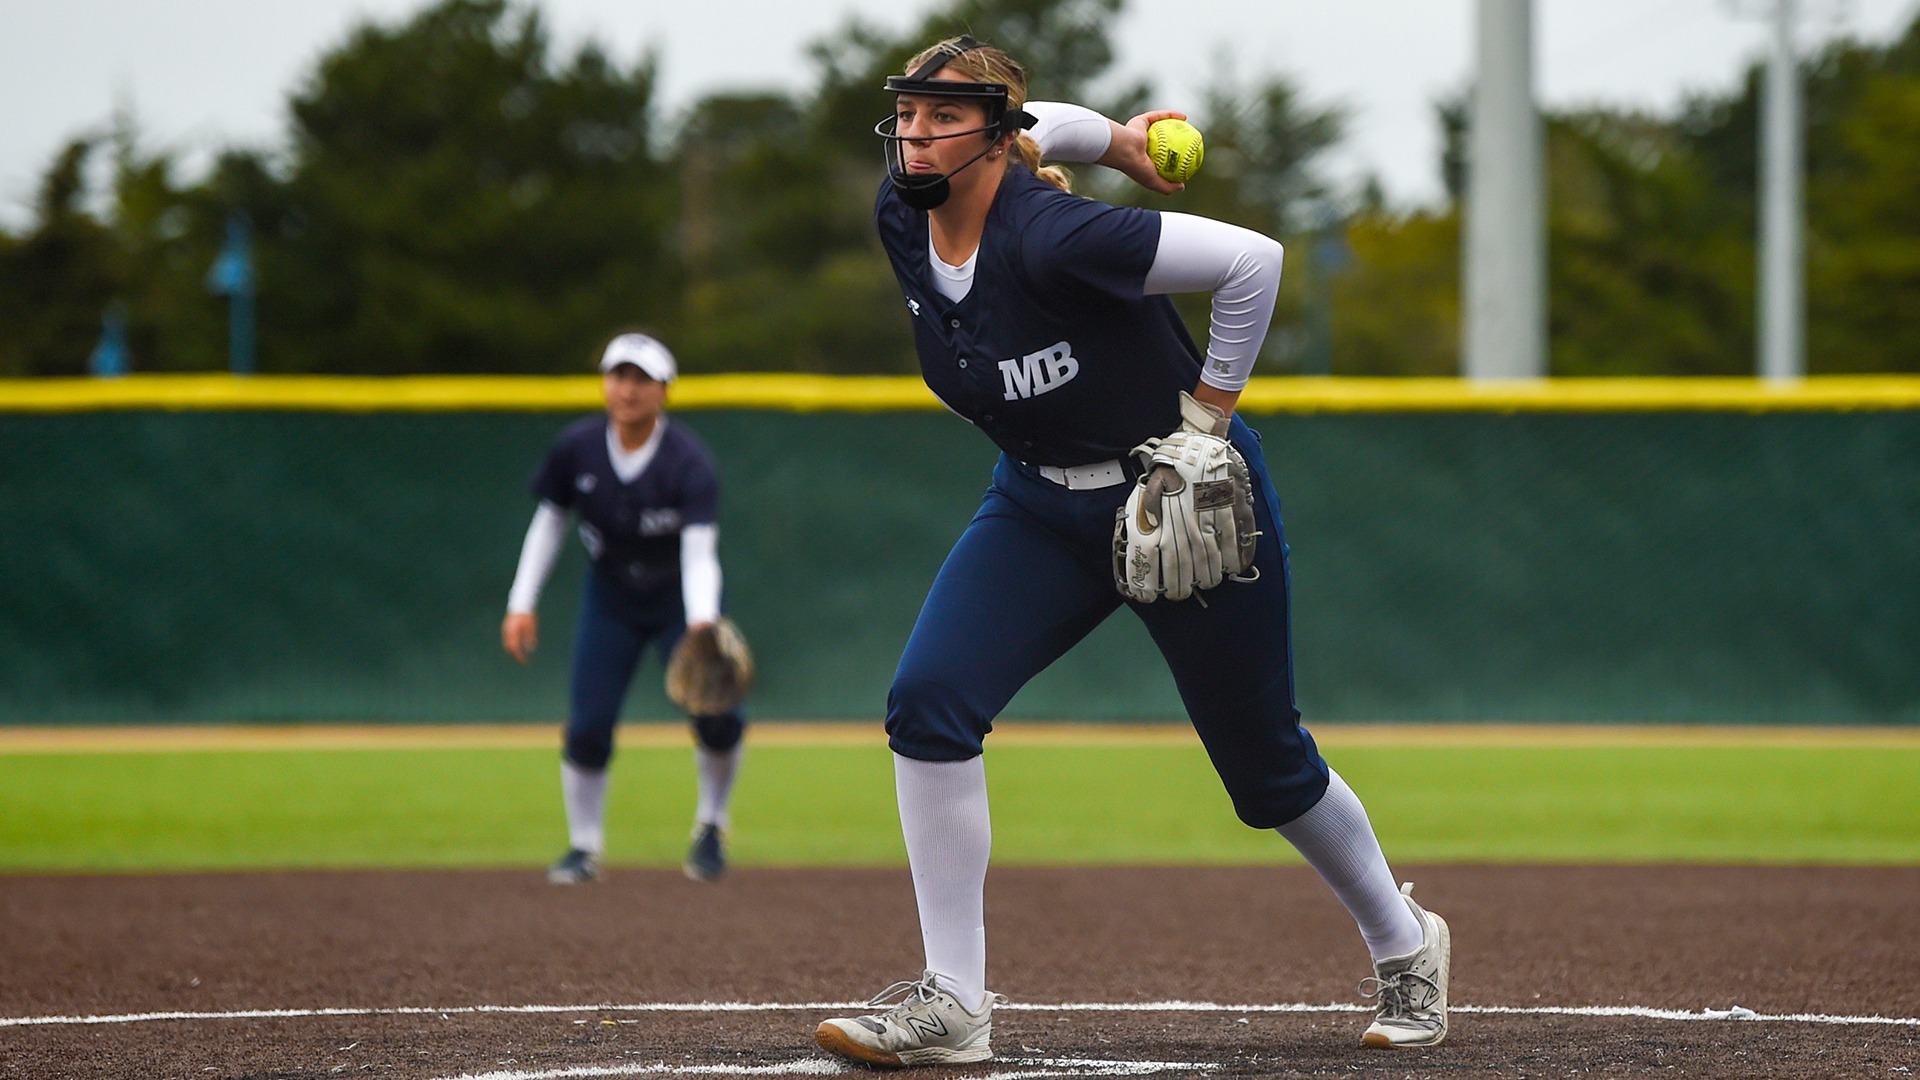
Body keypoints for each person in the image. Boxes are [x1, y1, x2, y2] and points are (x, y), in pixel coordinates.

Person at [812, 37, 1451, 1068]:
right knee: (928, 703)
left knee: (1266, 769)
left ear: (993, 135)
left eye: (942, 118)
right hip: (1035, 509)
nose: (915, 137)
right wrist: (1120, 138)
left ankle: (1403, 940)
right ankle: (954, 1003)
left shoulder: (1058, 234)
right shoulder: (904, 213)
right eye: (909, 114)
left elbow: (1254, 262)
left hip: (1173, 494)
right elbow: (1048, 126)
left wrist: (1206, 423)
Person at [502, 331, 744, 885]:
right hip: (611, 597)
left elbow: (700, 552)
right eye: (619, 376)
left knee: (718, 715)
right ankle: (584, 846)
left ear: (665, 391)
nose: (628, 389)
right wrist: (522, 603)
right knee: (587, 726)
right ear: (605, 383)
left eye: (642, 379)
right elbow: (550, 523)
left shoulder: (688, 462)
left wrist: (702, 623)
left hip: (678, 598)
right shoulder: (577, 448)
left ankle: (711, 824)